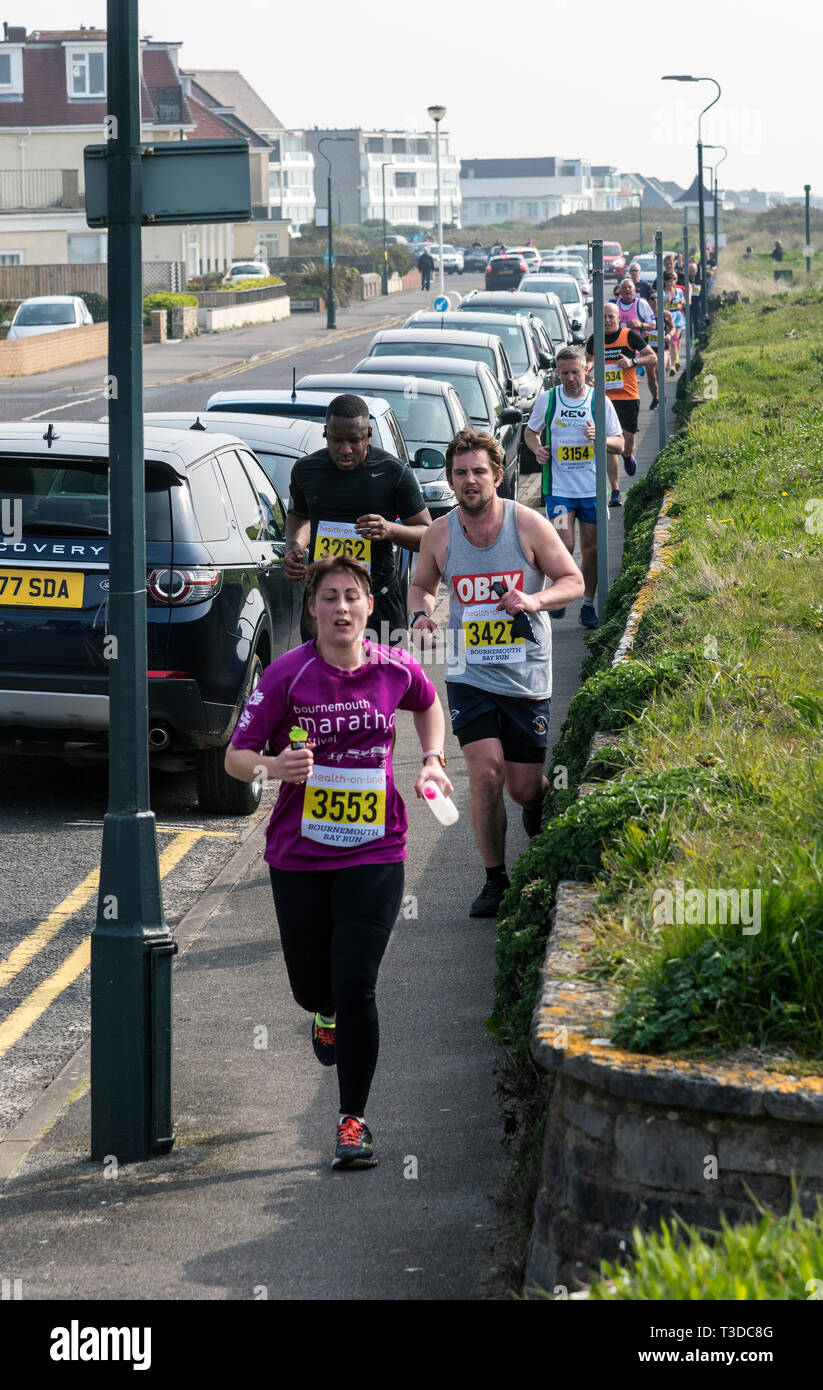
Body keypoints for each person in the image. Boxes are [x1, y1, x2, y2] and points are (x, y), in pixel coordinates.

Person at [225, 554, 452, 1169]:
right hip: (299, 853)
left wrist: (432, 758)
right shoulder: (284, 677)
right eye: (329, 597)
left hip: (376, 849)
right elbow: (236, 758)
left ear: (369, 606)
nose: (342, 608)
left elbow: (429, 701)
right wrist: (273, 767)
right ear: (313, 609)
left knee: (358, 984)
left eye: (352, 596)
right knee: (311, 987)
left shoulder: (392, 667)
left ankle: (353, 1120)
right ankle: (320, 1013)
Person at [408, 428, 584, 916]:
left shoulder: (527, 525)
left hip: (527, 674)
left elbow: (573, 580)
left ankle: (536, 809)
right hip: (470, 675)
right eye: (460, 473)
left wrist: (534, 598)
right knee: (485, 774)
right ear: (450, 480)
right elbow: (422, 585)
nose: (470, 480)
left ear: (497, 475)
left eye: (479, 471)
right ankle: (495, 880)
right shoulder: (439, 535)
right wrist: (420, 615)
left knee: (524, 787)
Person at [285, 395, 432, 645]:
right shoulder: (306, 470)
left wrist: (390, 529)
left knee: (381, 683)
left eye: (354, 441)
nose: (345, 450)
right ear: (325, 433)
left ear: (369, 434)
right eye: (336, 440)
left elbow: (428, 536)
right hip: (324, 604)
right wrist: (295, 547)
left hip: (379, 604)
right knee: (325, 683)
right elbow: (299, 515)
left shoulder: (393, 472)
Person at [523, 345, 624, 628]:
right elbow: (531, 433)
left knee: (591, 550)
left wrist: (599, 439)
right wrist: (537, 450)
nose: (570, 379)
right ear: (558, 373)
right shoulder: (549, 400)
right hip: (559, 489)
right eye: (564, 373)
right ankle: (561, 594)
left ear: (586, 370)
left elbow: (620, 444)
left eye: (575, 373)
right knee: (562, 545)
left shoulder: (599, 401)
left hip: (591, 489)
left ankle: (588, 604)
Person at [586, 301, 657, 493]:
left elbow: (652, 357)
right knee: (609, 445)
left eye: (611, 317)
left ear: (619, 318)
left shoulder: (629, 336)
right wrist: (587, 372)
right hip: (605, 399)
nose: (607, 321)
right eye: (604, 317)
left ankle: (627, 456)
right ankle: (615, 491)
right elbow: (587, 361)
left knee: (626, 444)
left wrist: (632, 361)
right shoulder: (595, 339)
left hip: (628, 397)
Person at [611, 277, 658, 408]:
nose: (627, 290)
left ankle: (656, 397)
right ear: (619, 290)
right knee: (628, 379)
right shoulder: (615, 305)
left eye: (629, 287)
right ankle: (629, 402)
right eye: (624, 287)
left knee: (651, 375)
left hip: (641, 346)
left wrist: (640, 324)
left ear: (634, 290)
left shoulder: (641, 304)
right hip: (623, 348)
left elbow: (653, 325)